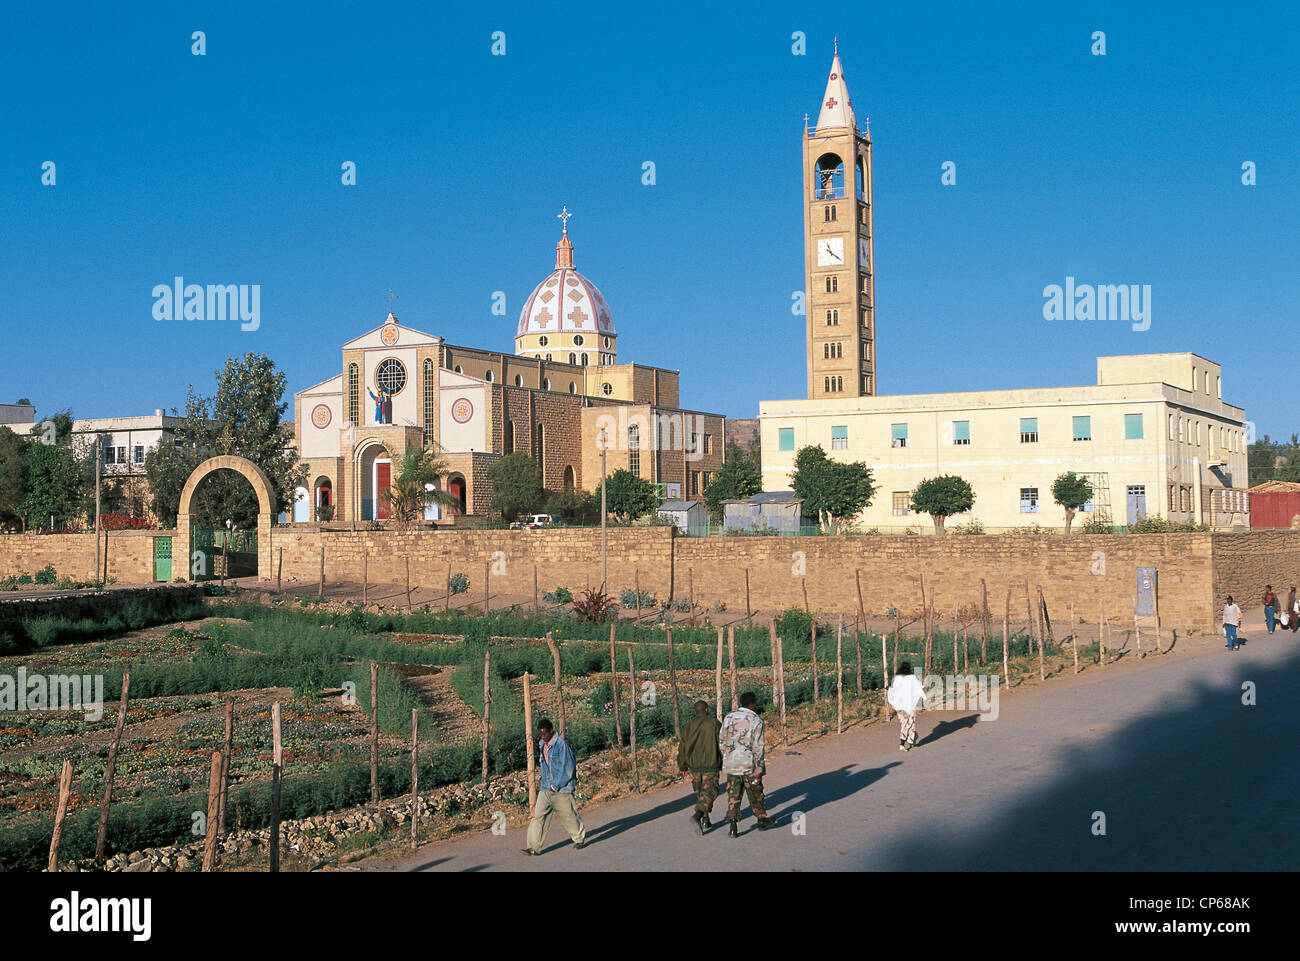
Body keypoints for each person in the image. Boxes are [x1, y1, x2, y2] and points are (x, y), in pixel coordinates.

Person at [523, 718, 585, 856]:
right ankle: (533, 847)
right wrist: (546, 785)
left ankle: (579, 839)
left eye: (545, 734)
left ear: (551, 731)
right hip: (546, 788)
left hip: (561, 788)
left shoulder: (561, 745)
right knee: (538, 817)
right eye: (540, 734)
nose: (543, 737)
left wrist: (556, 785)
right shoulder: (541, 745)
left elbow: (568, 768)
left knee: (569, 815)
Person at [719, 691, 776, 837]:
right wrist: (759, 766)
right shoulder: (756, 720)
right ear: (753, 704)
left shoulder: (728, 717)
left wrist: (727, 757)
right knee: (756, 792)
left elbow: (721, 741)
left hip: (732, 763)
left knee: (734, 794)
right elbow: (758, 746)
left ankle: (733, 823)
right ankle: (761, 818)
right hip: (749, 763)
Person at [677, 699, 722, 835]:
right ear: (707, 710)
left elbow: (682, 748)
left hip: (694, 766)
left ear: (695, 711)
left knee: (701, 793)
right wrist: (725, 760)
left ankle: (705, 820)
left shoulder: (688, 726)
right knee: (710, 792)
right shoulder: (714, 724)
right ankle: (698, 815)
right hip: (710, 764)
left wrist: (683, 766)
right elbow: (722, 743)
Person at [886, 661, 926, 751]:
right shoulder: (912, 678)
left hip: (899, 706)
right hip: (909, 705)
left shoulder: (897, 678)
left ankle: (910, 741)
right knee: (909, 723)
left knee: (906, 723)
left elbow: (893, 689)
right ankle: (903, 743)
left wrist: (889, 689)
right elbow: (920, 687)